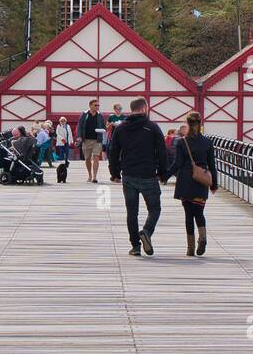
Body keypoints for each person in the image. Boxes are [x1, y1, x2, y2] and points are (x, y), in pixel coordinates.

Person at [107, 97, 168, 257]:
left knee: (132, 212)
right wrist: (163, 173)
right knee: (155, 209)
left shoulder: (121, 129)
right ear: (143, 109)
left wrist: (114, 173)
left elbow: (113, 151)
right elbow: (162, 151)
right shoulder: (152, 127)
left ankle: (135, 246)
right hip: (148, 175)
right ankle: (146, 232)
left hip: (128, 175)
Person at [170, 112, 217, 256]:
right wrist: (214, 184)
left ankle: (190, 248)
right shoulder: (208, 142)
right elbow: (212, 166)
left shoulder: (182, 142)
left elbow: (177, 164)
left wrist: (164, 175)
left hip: (185, 181)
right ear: (200, 123)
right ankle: (202, 237)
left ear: (188, 124)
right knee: (199, 213)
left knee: (188, 215)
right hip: (201, 181)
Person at [77, 99, 107, 183]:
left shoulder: (100, 115)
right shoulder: (84, 114)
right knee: (87, 159)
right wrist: (79, 136)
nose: (97, 107)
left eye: (98, 105)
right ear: (90, 105)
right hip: (86, 140)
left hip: (97, 140)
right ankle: (89, 174)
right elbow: (79, 126)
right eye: (95, 105)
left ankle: (94, 177)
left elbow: (104, 127)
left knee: (96, 157)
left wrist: (102, 130)